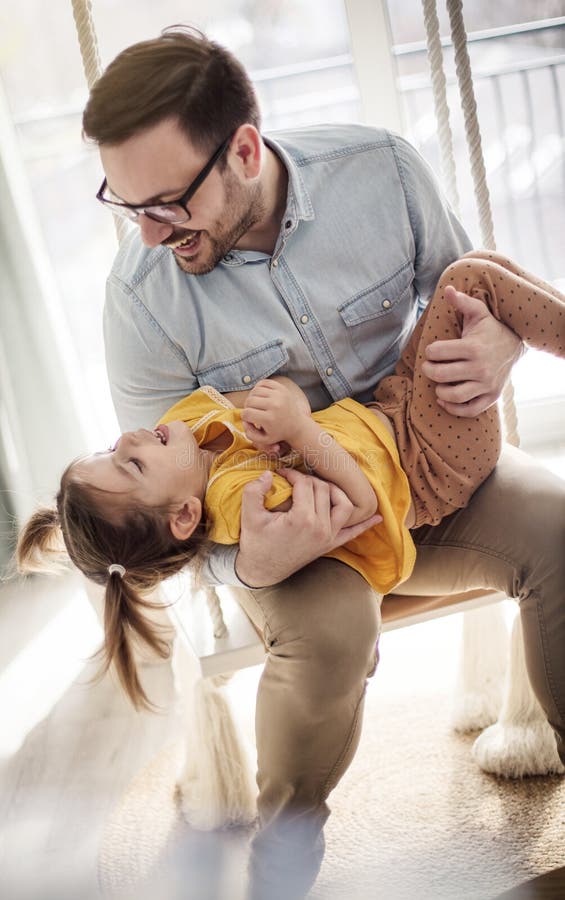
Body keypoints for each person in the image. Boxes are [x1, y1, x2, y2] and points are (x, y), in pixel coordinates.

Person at [58, 24, 565, 899]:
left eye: (165, 204)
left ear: (244, 151)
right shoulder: (140, 306)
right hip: (289, 537)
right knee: (333, 631)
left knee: (560, 528)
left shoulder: (384, 173)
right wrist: (252, 559)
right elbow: (173, 515)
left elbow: (476, 295)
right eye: (125, 204)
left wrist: (501, 352)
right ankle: (279, 872)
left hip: (423, 457)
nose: (145, 235)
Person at [18, 247, 565, 759]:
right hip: (429, 464)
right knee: (468, 284)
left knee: (476, 267)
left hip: (392, 409)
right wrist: (301, 431)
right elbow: (361, 507)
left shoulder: (183, 429)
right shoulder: (240, 503)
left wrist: (271, 417)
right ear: (184, 515)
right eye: (132, 466)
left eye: (112, 450)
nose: (132, 439)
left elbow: (248, 401)